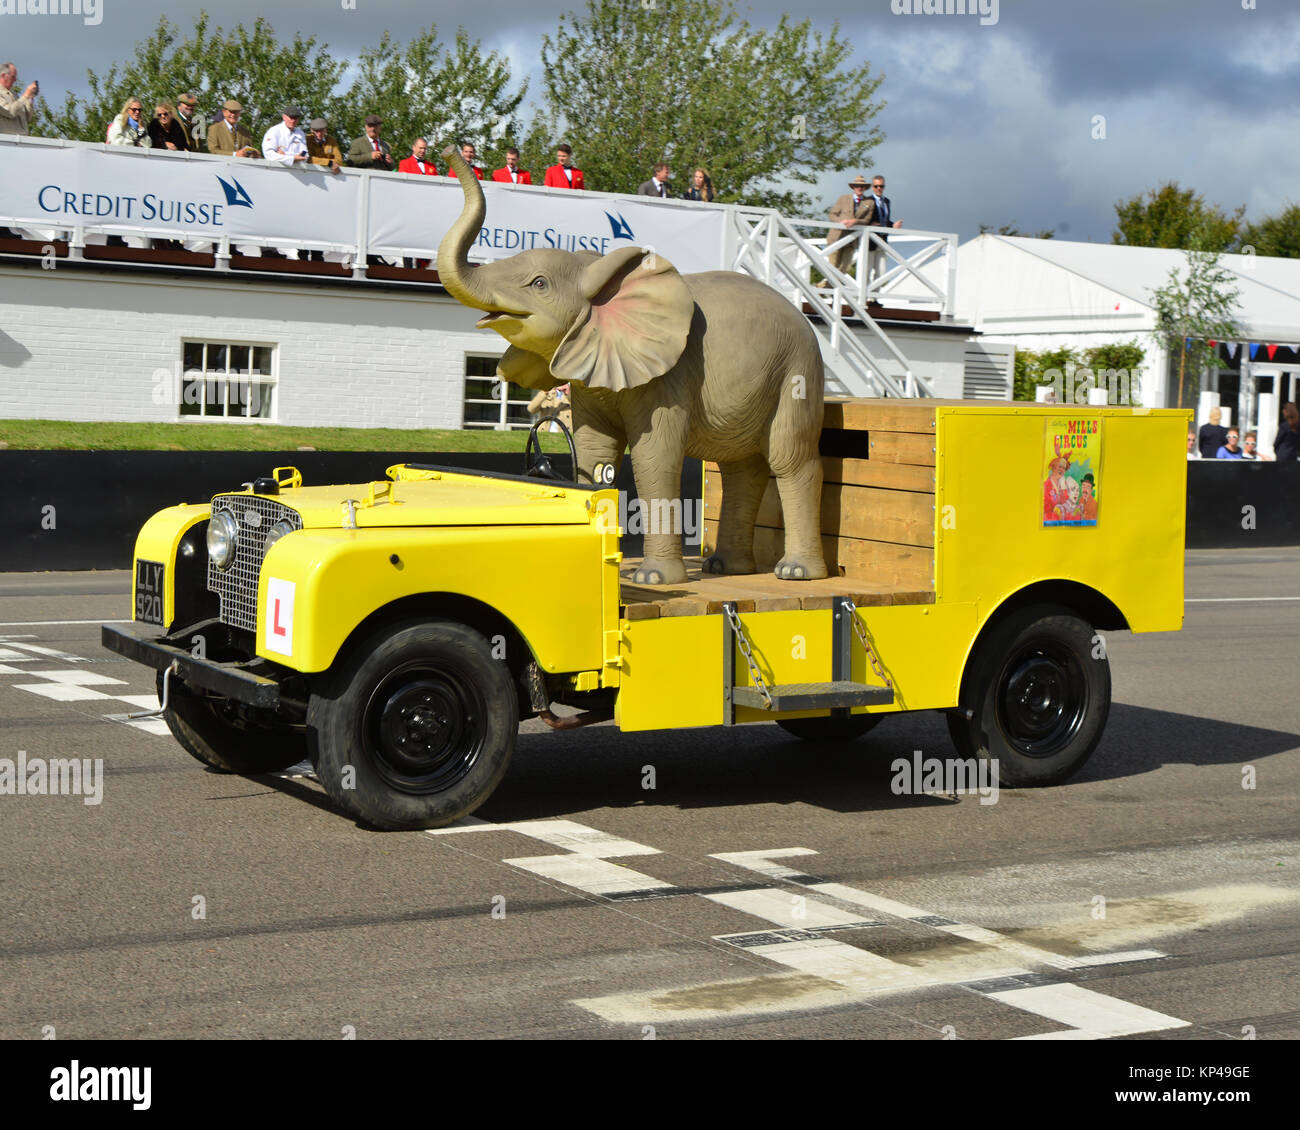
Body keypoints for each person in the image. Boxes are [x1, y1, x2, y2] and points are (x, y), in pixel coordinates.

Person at [823, 174, 874, 283]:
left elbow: (867, 220)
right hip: (836, 237)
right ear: (853, 187)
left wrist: (856, 221)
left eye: (862, 186)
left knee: (845, 268)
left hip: (851, 240)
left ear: (865, 188)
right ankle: (831, 295)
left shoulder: (869, 203)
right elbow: (832, 214)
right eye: (856, 186)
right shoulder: (843, 198)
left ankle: (823, 288)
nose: (859, 188)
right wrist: (840, 222)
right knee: (833, 268)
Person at [864, 174, 902, 283]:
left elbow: (884, 220)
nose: (879, 188)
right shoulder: (867, 200)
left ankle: (874, 298)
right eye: (876, 186)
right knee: (867, 270)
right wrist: (869, 224)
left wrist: (893, 225)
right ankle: (865, 298)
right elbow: (862, 218)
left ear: (884, 187)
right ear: (872, 187)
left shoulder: (886, 201)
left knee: (880, 271)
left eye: (881, 186)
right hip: (870, 240)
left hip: (883, 240)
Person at [0, 62, 37, 136]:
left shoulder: (14, 94)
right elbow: (10, 112)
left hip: (21, 141)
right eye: (13, 77)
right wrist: (25, 95)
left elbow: (28, 118)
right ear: (3, 76)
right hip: (7, 142)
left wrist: (30, 98)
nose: (15, 80)